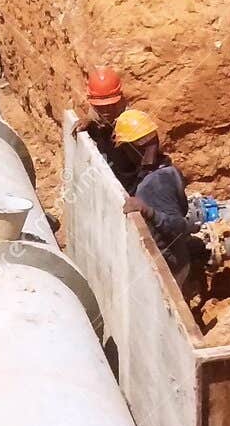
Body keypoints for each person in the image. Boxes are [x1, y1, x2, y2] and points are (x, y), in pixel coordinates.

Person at [113, 109, 207, 285]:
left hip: (170, 270)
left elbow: (180, 227)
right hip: (166, 262)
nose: (124, 154)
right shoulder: (165, 168)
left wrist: (148, 211)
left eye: (125, 148)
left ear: (134, 148)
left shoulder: (157, 182)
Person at [72, 66, 139, 191]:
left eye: (110, 105)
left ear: (119, 98)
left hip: (131, 179)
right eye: (100, 106)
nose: (105, 111)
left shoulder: (130, 119)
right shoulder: (96, 111)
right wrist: (88, 121)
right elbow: (93, 116)